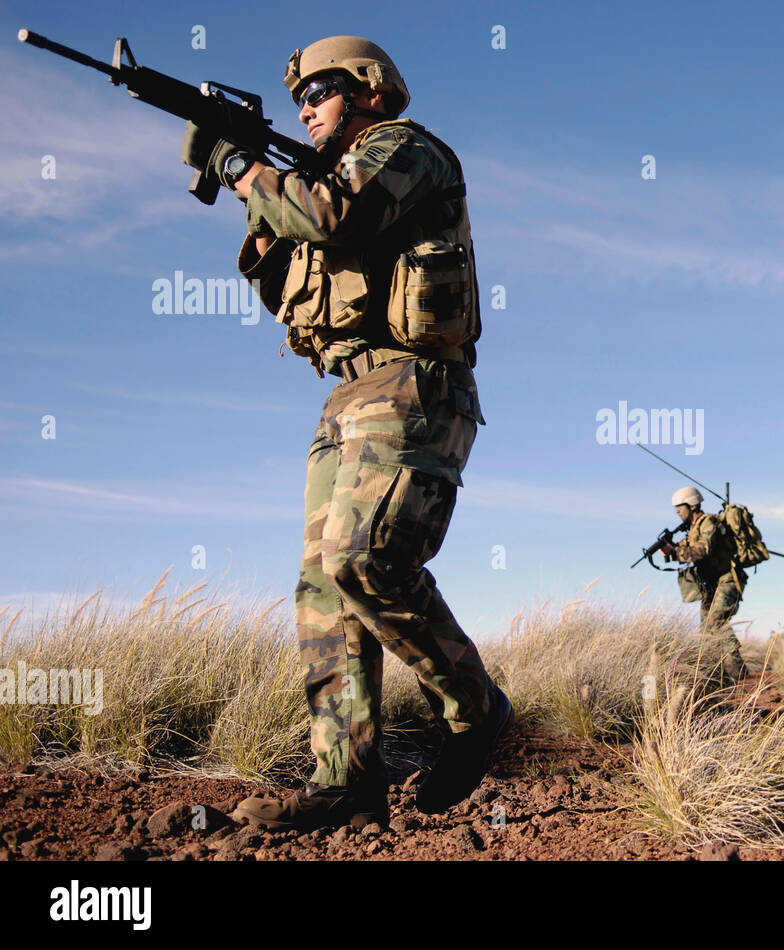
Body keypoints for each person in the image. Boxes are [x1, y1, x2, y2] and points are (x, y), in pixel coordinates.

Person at [181, 35, 511, 831]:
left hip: (412, 383)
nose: (304, 103)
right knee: (324, 593)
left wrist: (241, 166)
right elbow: (285, 282)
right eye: (298, 95)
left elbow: (334, 213)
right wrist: (245, 184)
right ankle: (346, 783)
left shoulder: (405, 149)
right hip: (346, 395)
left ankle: (475, 710)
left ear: (367, 89)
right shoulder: (310, 179)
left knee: (366, 561)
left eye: (320, 88)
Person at [661, 486, 749, 684]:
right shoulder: (692, 530)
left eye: (680, 507)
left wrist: (675, 552)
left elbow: (703, 550)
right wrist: (671, 550)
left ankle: (739, 673)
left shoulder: (707, 522)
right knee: (705, 633)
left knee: (717, 621)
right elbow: (687, 550)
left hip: (727, 579)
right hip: (711, 584)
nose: (677, 512)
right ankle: (718, 677)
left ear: (691, 506)